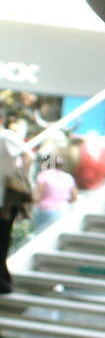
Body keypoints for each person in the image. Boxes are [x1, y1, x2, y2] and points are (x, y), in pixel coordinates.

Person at [0, 117, 35, 293]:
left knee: (3, 238)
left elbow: (29, 155)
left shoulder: (5, 136)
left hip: (6, 198)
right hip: (5, 197)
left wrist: (23, 177)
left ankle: (4, 281)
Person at [32, 154, 77, 234]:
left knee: (40, 234)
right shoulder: (68, 177)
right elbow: (74, 197)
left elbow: (37, 197)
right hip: (63, 210)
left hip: (45, 210)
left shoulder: (43, 175)